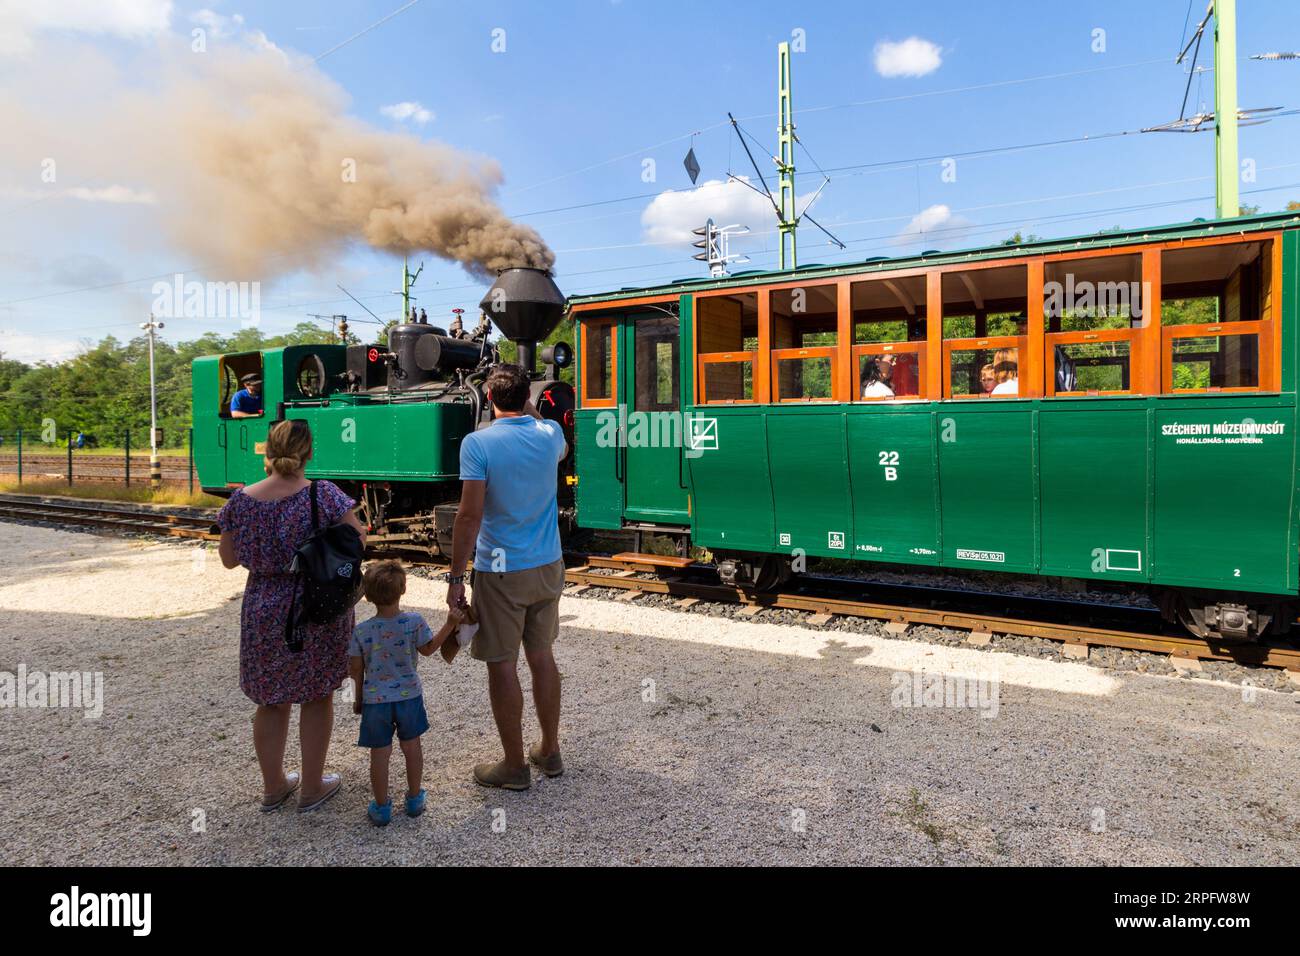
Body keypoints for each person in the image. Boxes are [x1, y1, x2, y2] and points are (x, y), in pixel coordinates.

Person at [217, 418, 366, 813]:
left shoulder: (241, 500)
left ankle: (273, 787)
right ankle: (312, 786)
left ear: (267, 451)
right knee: (316, 696)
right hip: (314, 604)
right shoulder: (325, 496)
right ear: (309, 452)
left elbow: (229, 560)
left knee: (270, 699)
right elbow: (357, 541)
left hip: (263, 608)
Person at [447, 363, 568, 791]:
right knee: (542, 656)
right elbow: (549, 435)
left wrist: (456, 578)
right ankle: (549, 751)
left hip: (500, 568)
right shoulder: (550, 433)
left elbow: (469, 515)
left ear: (490, 398)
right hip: (548, 563)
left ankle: (514, 766)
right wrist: (530, 405)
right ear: (527, 396)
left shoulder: (477, 444)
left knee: (501, 663)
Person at [348, 560, 463, 827]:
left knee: (379, 753)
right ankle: (413, 800)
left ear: (367, 594)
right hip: (409, 696)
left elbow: (355, 670)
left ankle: (381, 807)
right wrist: (449, 623)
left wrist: (357, 699)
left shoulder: (362, 631)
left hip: (376, 702)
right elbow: (430, 649)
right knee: (412, 747)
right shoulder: (413, 622)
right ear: (403, 590)